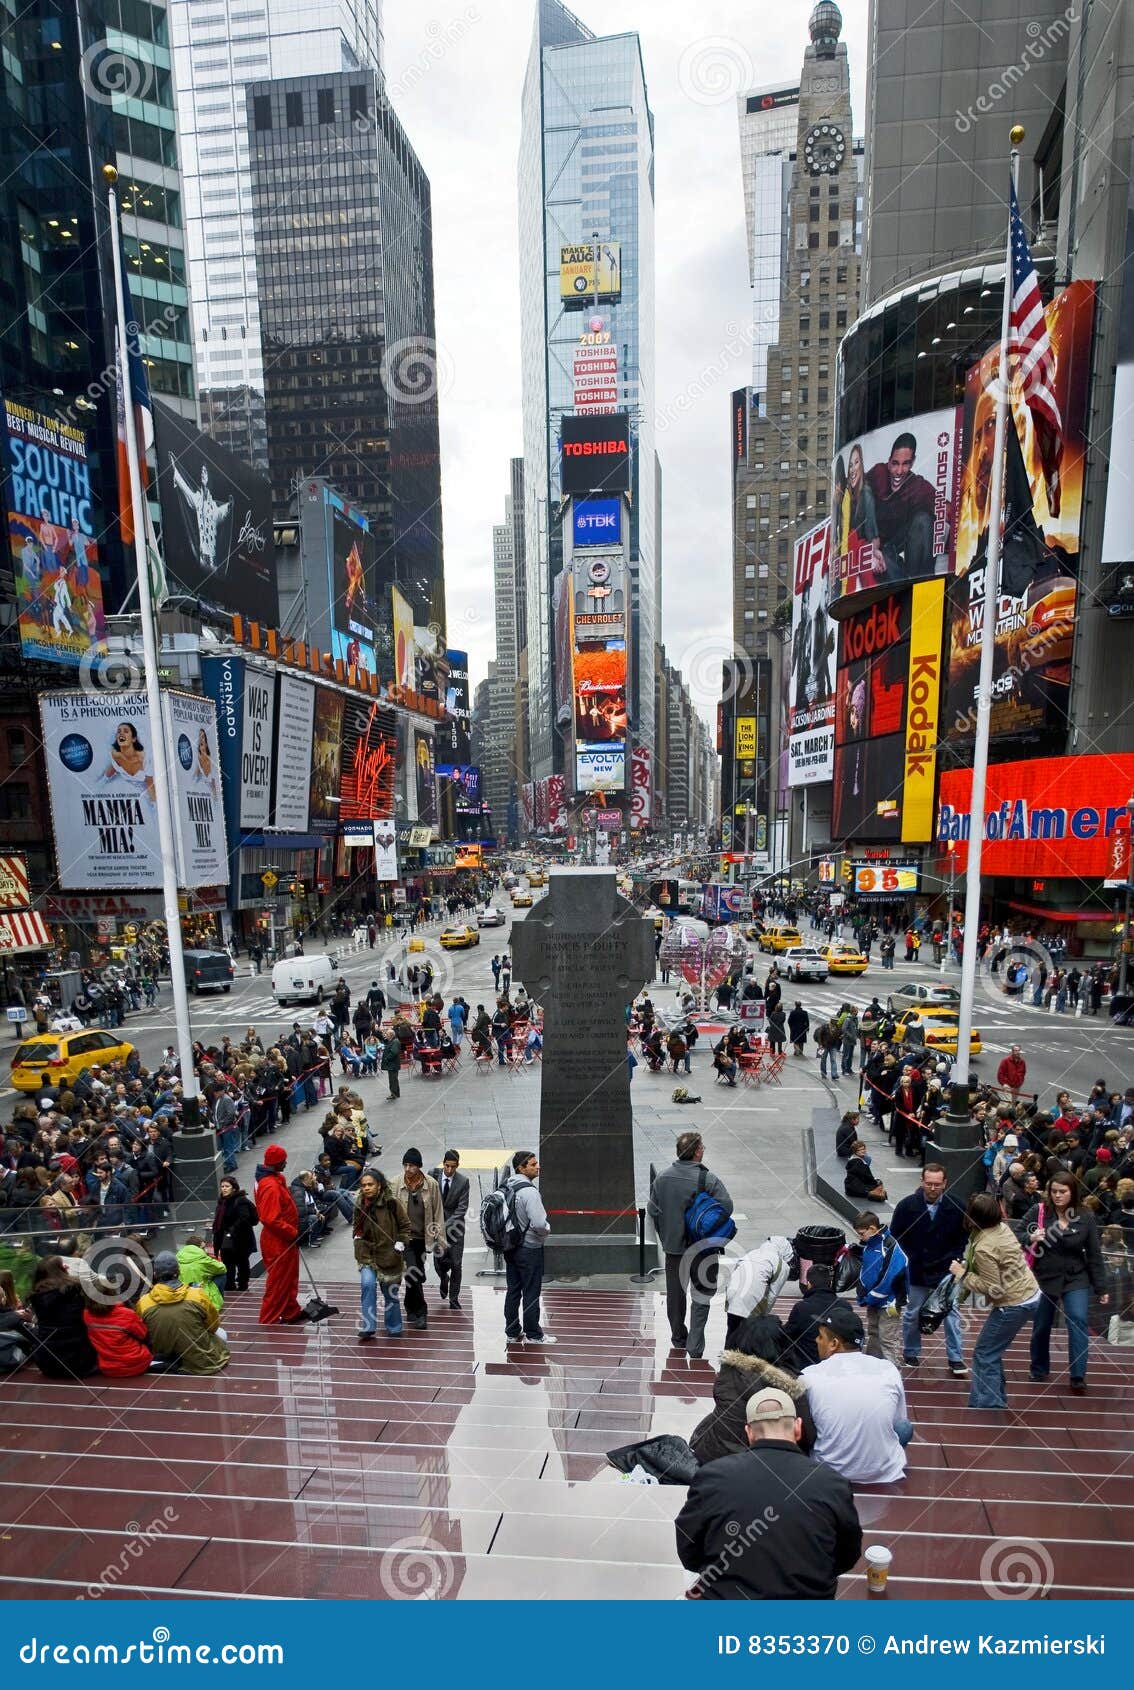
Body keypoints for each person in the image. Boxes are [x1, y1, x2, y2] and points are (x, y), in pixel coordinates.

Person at [675, 1386, 862, 1601]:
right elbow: (847, 1555)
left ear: (749, 1432)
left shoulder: (711, 1476)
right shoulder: (833, 1483)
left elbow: (689, 1551)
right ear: (798, 1428)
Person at [801, 1304, 912, 1485]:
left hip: (827, 1471)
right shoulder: (888, 1369)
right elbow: (898, 1421)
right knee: (905, 1427)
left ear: (834, 1344)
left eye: (820, 1337)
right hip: (884, 1473)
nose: (816, 1341)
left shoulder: (809, 1376)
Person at [950, 1191, 1041, 1409]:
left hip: (1012, 1303)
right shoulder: (1001, 1228)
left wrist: (962, 1273)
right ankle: (995, 1398)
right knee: (991, 1350)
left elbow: (994, 1289)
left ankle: (989, 1404)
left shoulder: (984, 1247)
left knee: (984, 1353)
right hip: (1028, 1294)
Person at [647, 1131, 733, 1360]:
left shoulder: (662, 1178)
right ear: (696, 1152)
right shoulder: (706, 1179)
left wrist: (666, 1236)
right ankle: (695, 1346)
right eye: (702, 1147)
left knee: (675, 1295)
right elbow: (727, 1207)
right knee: (702, 1293)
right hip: (703, 1249)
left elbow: (653, 1211)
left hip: (674, 1251)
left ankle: (678, 1338)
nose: (703, 1149)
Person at [690, 1314, 816, 1464]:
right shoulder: (791, 1384)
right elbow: (807, 1436)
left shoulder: (728, 1374)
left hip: (715, 1454)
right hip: (764, 1462)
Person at [1024, 1172, 1108, 1393]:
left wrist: (1101, 1287)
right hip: (1044, 1276)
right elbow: (1016, 1233)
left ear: (1072, 1192)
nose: (1058, 1196)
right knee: (1042, 1325)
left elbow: (1094, 1254)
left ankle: (1078, 1375)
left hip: (1075, 1276)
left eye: (1063, 1192)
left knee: (1078, 1320)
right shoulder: (1039, 1211)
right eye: (1054, 1191)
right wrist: (1029, 1238)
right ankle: (1039, 1367)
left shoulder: (1085, 1215)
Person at [890, 1162, 969, 1377]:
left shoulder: (957, 1205)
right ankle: (911, 1352)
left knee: (951, 1314)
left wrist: (957, 1259)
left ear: (945, 1183)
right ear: (922, 1182)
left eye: (937, 1184)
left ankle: (955, 1357)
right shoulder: (907, 1206)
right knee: (913, 1312)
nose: (932, 1188)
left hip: (946, 1269)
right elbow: (895, 1236)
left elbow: (962, 1238)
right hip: (917, 1268)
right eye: (928, 1183)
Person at [137, 1252, 230, 1374]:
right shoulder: (197, 1294)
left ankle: (167, 1361)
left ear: (155, 1274)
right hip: (198, 1359)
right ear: (179, 1271)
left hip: (162, 1353)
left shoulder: (143, 1302)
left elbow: (142, 1334)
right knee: (222, 1333)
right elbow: (213, 1326)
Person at [503, 1149, 555, 1344]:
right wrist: (546, 1232)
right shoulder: (529, 1192)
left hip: (510, 1246)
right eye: (533, 1164)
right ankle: (534, 1334)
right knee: (531, 1291)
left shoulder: (507, 1185)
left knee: (513, 1289)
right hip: (529, 1248)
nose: (538, 1166)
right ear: (521, 1168)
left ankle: (512, 1331)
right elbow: (540, 1223)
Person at [352, 1166, 409, 1341]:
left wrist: (400, 1242)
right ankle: (368, 1327)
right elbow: (356, 1225)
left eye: (370, 1184)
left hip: (389, 1255)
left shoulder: (392, 1203)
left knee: (390, 1293)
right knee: (367, 1285)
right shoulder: (359, 1203)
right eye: (364, 1185)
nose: (366, 1188)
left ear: (379, 1185)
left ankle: (394, 1327)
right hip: (366, 1254)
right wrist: (357, 1237)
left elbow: (405, 1225)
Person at [394, 1149, 446, 1330]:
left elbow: (438, 1212)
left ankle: (410, 1308)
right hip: (404, 1238)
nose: (408, 1169)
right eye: (405, 1165)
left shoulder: (431, 1184)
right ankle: (421, 1312)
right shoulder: (396, 1183)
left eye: (412, 1165)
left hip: (423, 1238)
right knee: (412, 1271)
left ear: (419, 1167)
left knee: (416, 1273)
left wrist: (440, 1239)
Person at [255, 1144, 305, 1326]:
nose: (286, 1163)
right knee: (278, 1283)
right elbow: (270, 1219)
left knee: (287, 1278)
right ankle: (268, 1320)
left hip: (282, 1239)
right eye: (283, 1161)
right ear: (277, 1163)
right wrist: (292, 1232)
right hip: (279, 1241)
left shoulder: (273, 1180)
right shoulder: (271, 1186)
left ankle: (291, 1312)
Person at [853, 1211, 908, 1368]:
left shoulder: (890, 1246)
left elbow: (890, 1277)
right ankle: (872, 1366)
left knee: (888, 1339)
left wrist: (869, 1297)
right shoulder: (870, 1245)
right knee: (874, 1333)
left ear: (872, 1228)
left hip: (891, 1304)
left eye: (862, 1234)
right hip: (874, 1300)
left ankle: (892, 1373)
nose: (860, 1237)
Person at [28, 1256, 98, 1378]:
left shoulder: (36, 1297)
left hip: (47, 1363)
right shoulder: (76, 1289)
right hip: (81, 1362)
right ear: (63, 1269)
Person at [723, 1235, 794, 1345]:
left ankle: (727, 1359)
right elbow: (772, 1295)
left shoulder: (752, 1253)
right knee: (749, 1338)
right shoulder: (782, 1265)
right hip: (752, 1298)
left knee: (732, 1331)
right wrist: (763, 1315)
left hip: (732, 1294)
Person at [82, 1285, 161, 1377]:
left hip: (107, 1368)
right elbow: (143, 1335)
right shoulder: (126, 1314)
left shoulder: (86, 1314)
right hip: (137, 1365)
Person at [431, 1150, 469, 1309]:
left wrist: (445, 1226)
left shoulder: (463, 1181)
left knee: (456, 1264)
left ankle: (454, 1298)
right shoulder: (433, 1175)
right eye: (447, 1166)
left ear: (457, 1166)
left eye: (453, 1167)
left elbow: (462, 1209)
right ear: (443, 1163)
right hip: (435, 1228)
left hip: (456, 1229)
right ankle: (443, 1279)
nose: (449, 1170)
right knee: (438, 1261)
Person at [212, 1176, 258, 1293]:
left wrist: (232, 1230)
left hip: (241, 1238)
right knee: (227, 1262)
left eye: (227, 1186)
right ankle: (229, 1285)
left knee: (242, 1262)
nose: (224, 1189)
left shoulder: (240, 1200)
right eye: (222, 1186)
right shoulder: (221, 1201)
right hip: (226, 1238)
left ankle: (243, 1285)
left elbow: (244, 1217)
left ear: (234, 1188)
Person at [379, 1029, 402, 1101]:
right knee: (393, 1079)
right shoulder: (393, 1041)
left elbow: (394, 1052)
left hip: (393, 1064)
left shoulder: (395, 1042)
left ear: (391, 1035)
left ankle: (394, 1094)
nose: (386, 1035)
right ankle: (395, 1093)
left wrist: (387, 1058)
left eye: (387, 1034)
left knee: (393, 1080)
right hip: (392, 1064)